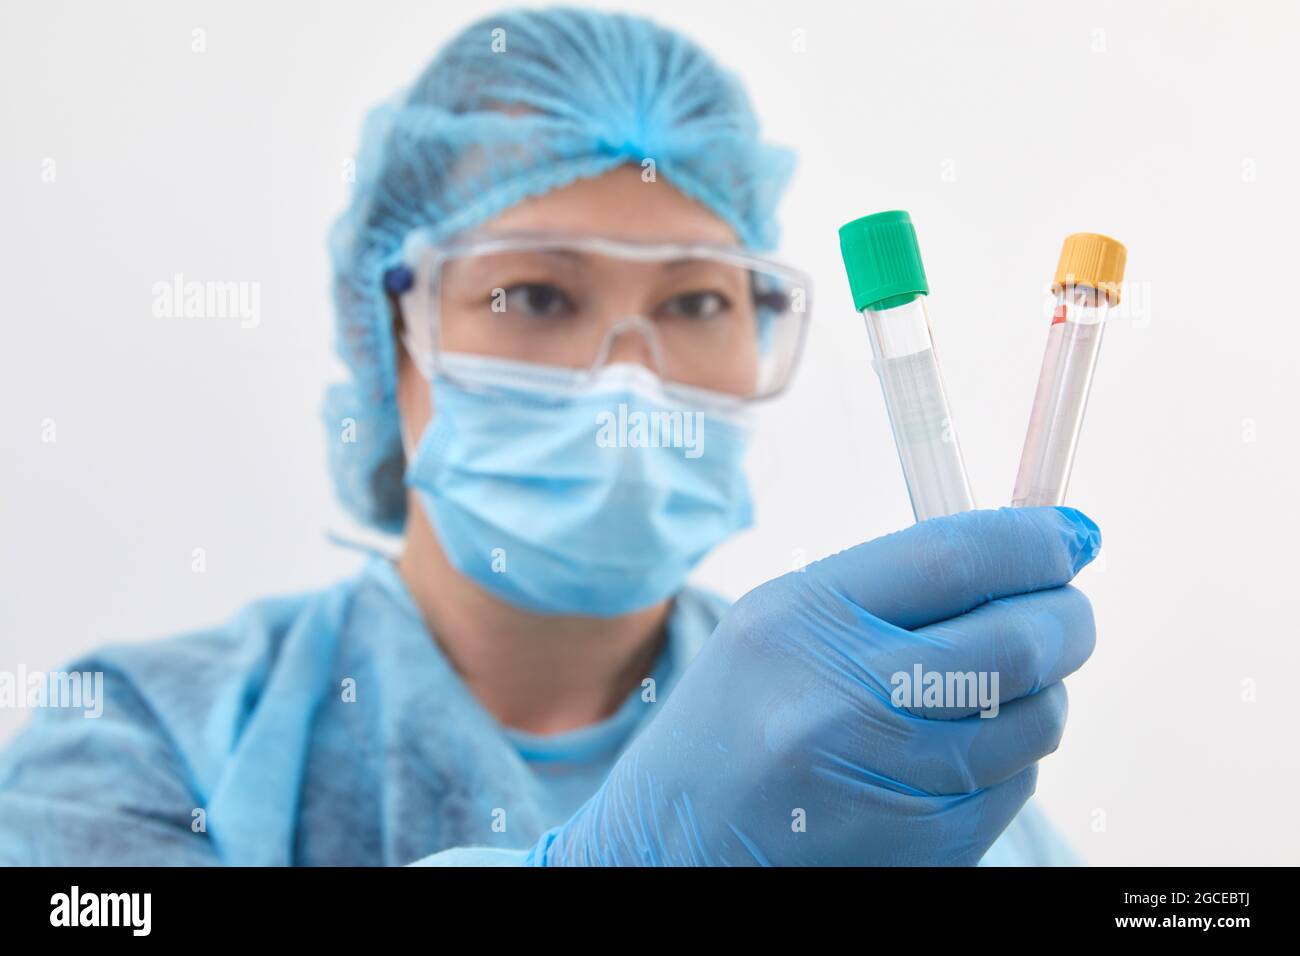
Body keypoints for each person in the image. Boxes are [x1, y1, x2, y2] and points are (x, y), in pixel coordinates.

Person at [0, 6, 1097, 866]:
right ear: (392, 330)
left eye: (696, 303)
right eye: (533, 294)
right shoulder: (142, 744)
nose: (624, 377)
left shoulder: (897, 759)